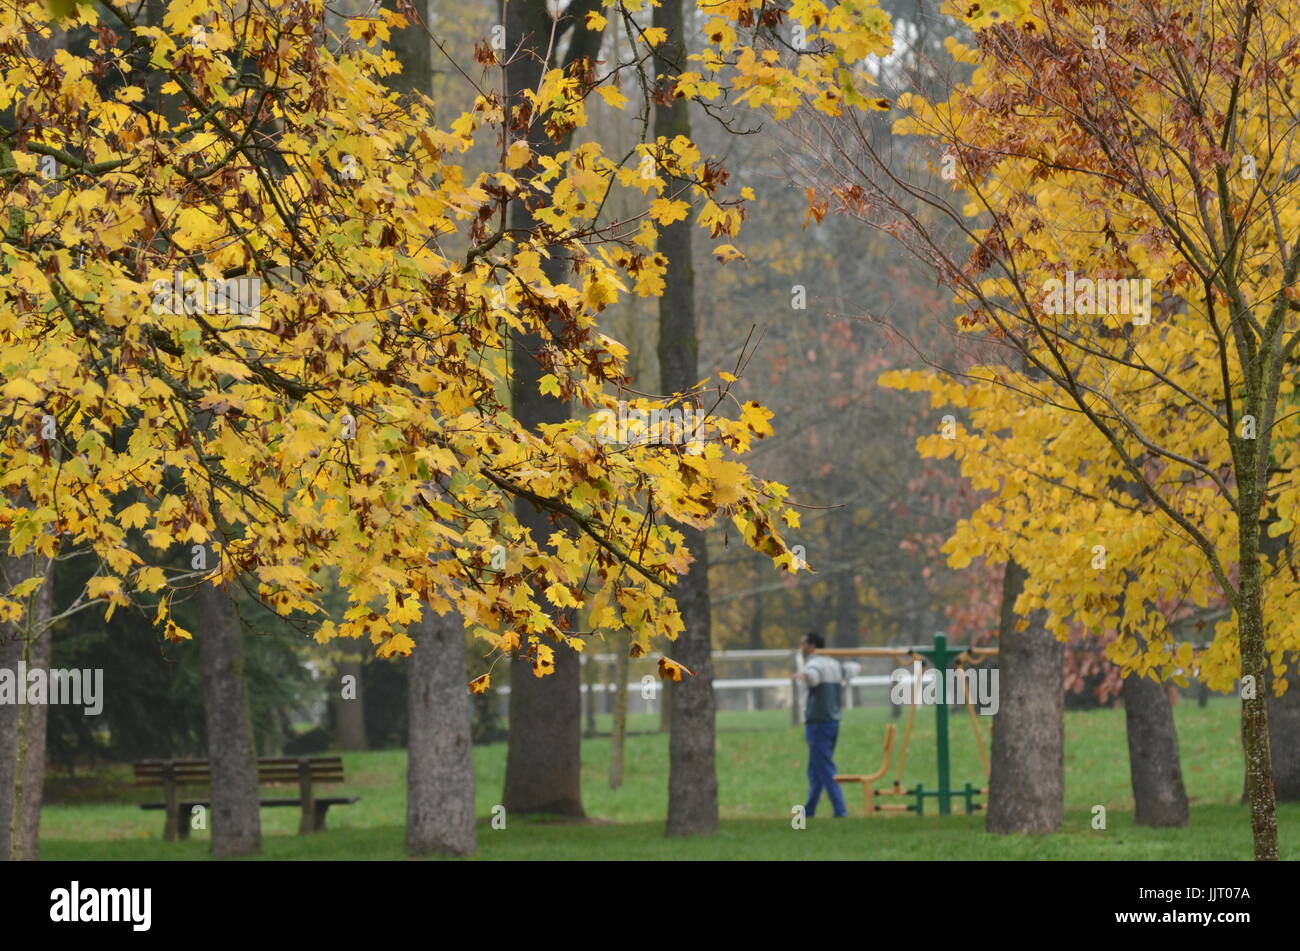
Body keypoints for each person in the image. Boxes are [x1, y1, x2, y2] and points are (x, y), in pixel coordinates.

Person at [795, 631, 848, 818]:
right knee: (815, 768)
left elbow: (813, 677)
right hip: (833, 721)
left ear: (812, 646)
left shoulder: (814, 663)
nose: (801, 648)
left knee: (824, 768)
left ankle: (840, 810)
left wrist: (804, 676)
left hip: (818, 722)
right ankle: (809, 810)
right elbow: (851, 670)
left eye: (803, 644)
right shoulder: (834, 664)